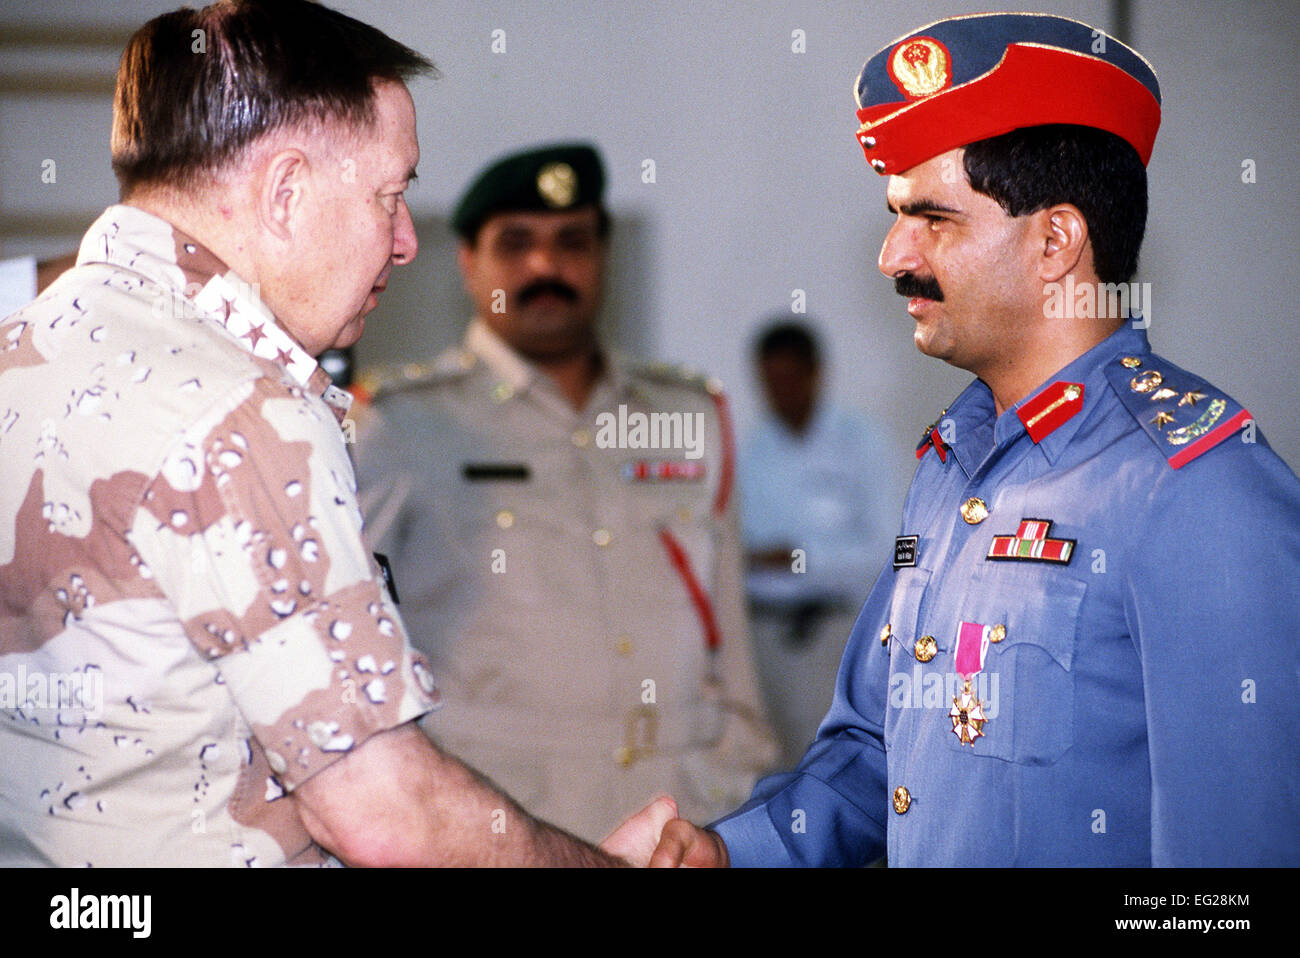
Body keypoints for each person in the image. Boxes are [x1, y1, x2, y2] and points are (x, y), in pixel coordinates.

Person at [0, 0, 672, 867]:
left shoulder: (24, 347)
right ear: (285, 193)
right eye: (390, 197)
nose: (405, 242)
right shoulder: (241, 411)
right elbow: (386, 816)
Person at [647, 12, 1300, 867]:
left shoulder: (1196, 487)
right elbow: (875, 753)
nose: (892, 255)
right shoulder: (955, 463)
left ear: (1055, 241)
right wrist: (727, 852)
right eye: (896, 216)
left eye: (933, 219)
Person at [352, 143, 778, 843]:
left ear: (603, 257)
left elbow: (730, 641)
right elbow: (350, 656)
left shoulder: (688, 415)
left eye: (572, 242)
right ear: (468, 263)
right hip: (502, 826)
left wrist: (739, 784)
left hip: (679, 816)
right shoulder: (400, 424)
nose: (545, 267)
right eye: (516, 243)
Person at [739, 320, 891, 767]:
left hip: (830, 633)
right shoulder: (751, 452)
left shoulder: (860, 443)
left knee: (828, 763)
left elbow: (886, 550)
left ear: (815, 373)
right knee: (766, 764)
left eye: (789, 379)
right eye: (770, 382)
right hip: (761, 635)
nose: (780, 393)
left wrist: (798, 559)